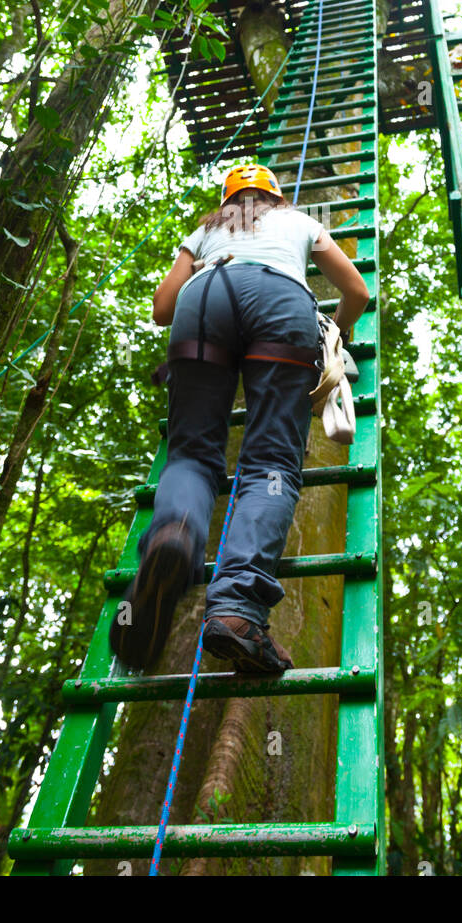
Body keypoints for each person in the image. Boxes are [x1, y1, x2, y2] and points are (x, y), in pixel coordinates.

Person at [109, 163, 370, 675]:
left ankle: (176, 535)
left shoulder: (206, 229)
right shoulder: (299, 223)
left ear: (228, 198)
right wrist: (337, 333)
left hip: (203, 301)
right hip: (282, 305)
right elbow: (357, 292)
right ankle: (236, 611)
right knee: (270, 458)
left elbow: (163, 307)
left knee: (191, 453)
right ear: (275, 196)